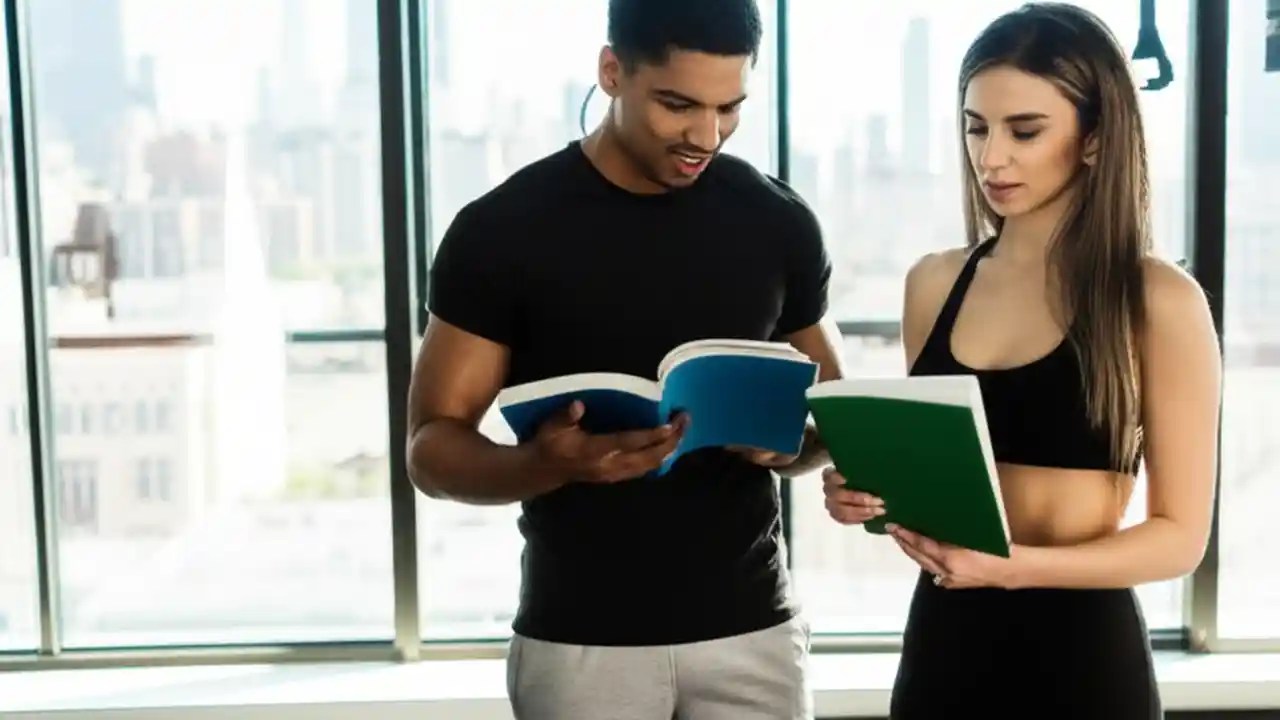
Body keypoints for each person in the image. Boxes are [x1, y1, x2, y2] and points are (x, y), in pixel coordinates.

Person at [406, 1, 858, 717]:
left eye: (729, 108)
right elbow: (430, 449)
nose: (705, 136)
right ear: (612, 72)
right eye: (678, 105)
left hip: (753, 631)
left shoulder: (777, 223)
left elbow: (838, 419)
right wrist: (547, 464)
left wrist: (789, 449)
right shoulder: (502, 232)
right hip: (580, 642)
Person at [822, 4, 1221, 718]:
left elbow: (1179, 540)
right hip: (946, 647)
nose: (991, 157)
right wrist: (868, 494)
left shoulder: (1157, 299)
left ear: (1095, 138)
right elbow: (939, 485)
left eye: (1024, 130)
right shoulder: (934, 284)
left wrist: (1014, 569)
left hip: (1083, 661)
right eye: (977, 127)